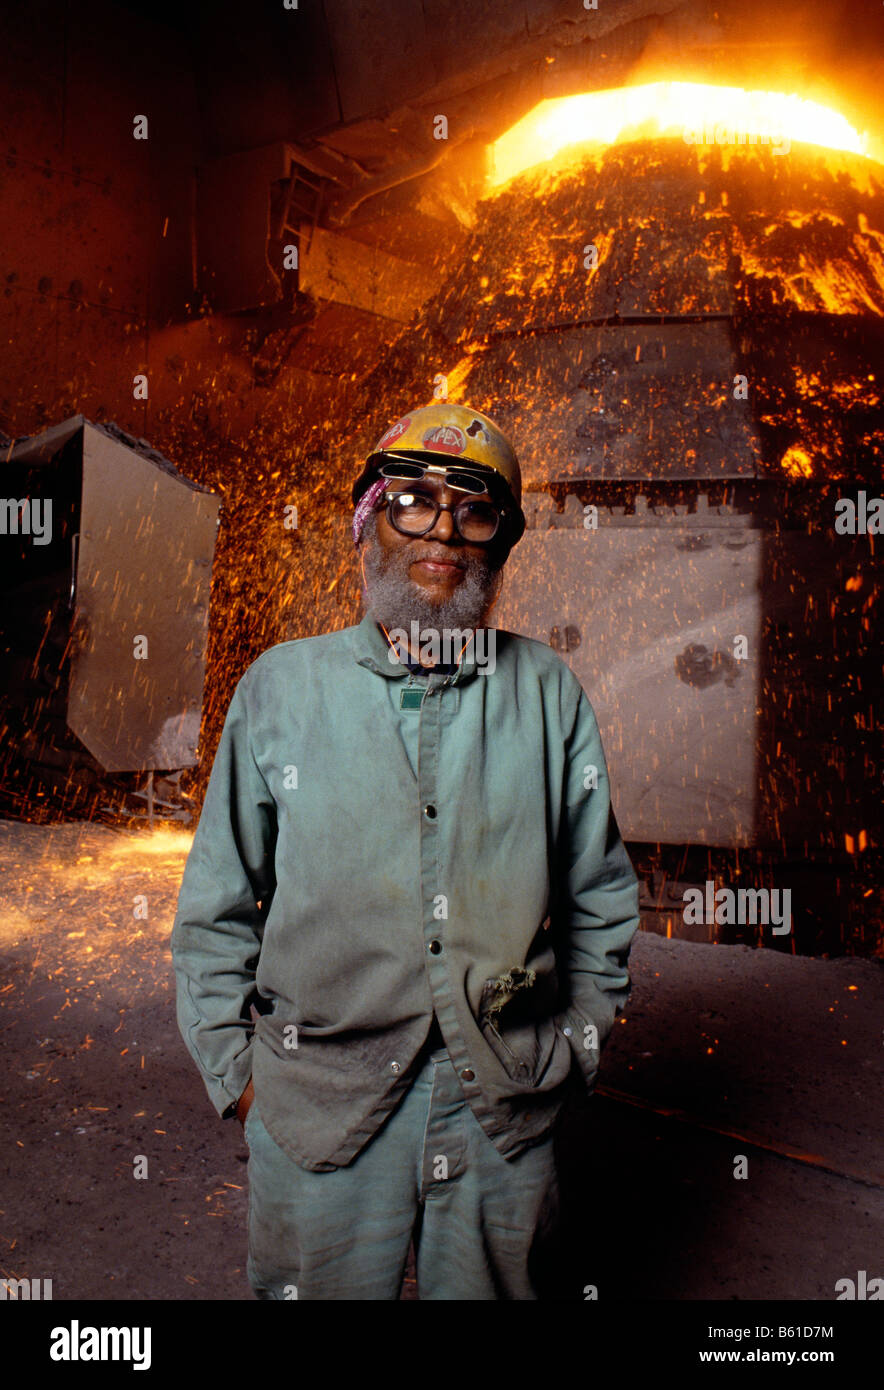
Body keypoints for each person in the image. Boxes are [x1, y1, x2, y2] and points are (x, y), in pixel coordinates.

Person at [170, 401, 640, 1301]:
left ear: (501, 541)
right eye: (414, 501)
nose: (444, 531)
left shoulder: (549, 695)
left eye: (475, 510)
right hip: (318, 1107)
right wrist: (240, 1077)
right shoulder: (280, 689)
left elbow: (601, 901)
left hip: (504, 1111)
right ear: (369, 521)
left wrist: (575, 1049)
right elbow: (215, 911)